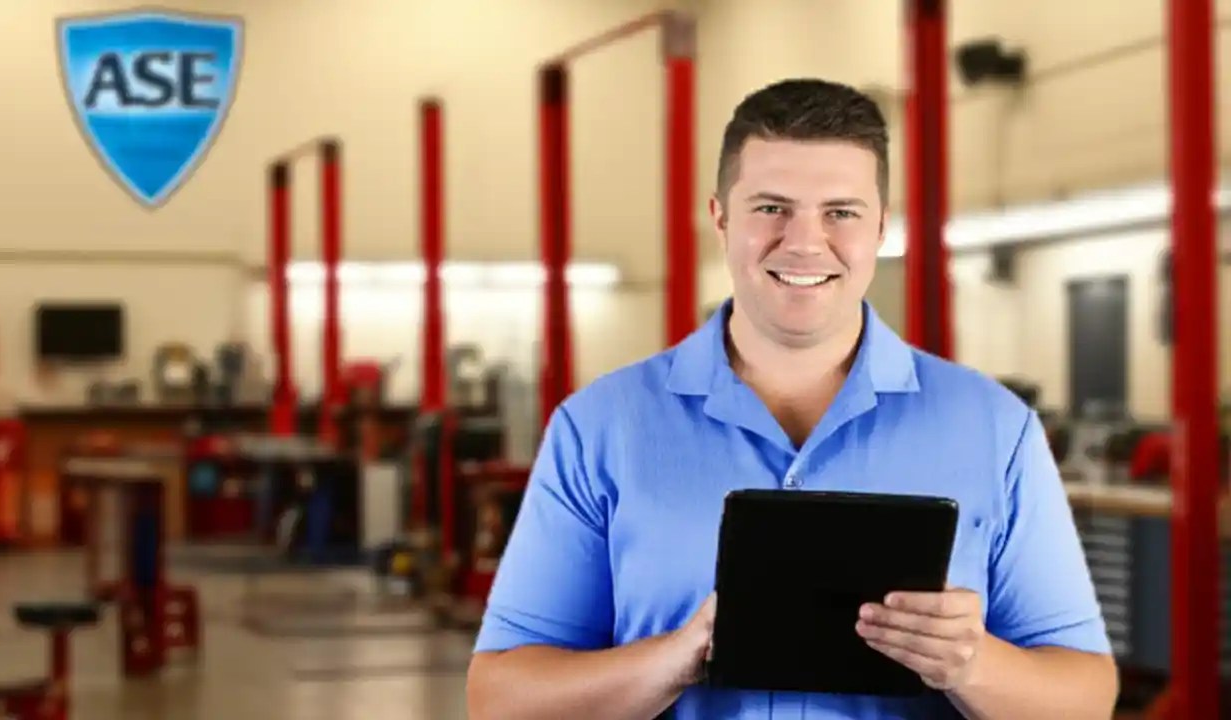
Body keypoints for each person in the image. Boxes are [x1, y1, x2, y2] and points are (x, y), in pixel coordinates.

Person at [466, 78, 1118, 719]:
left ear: (882, 227)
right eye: (771, 207)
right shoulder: (600, 428)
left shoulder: (996, 430)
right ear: (720, 217)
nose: (805, 242)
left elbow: (1084, 697)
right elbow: (500, 699)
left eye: (841, 212)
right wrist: (670, 659)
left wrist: (974, 665)